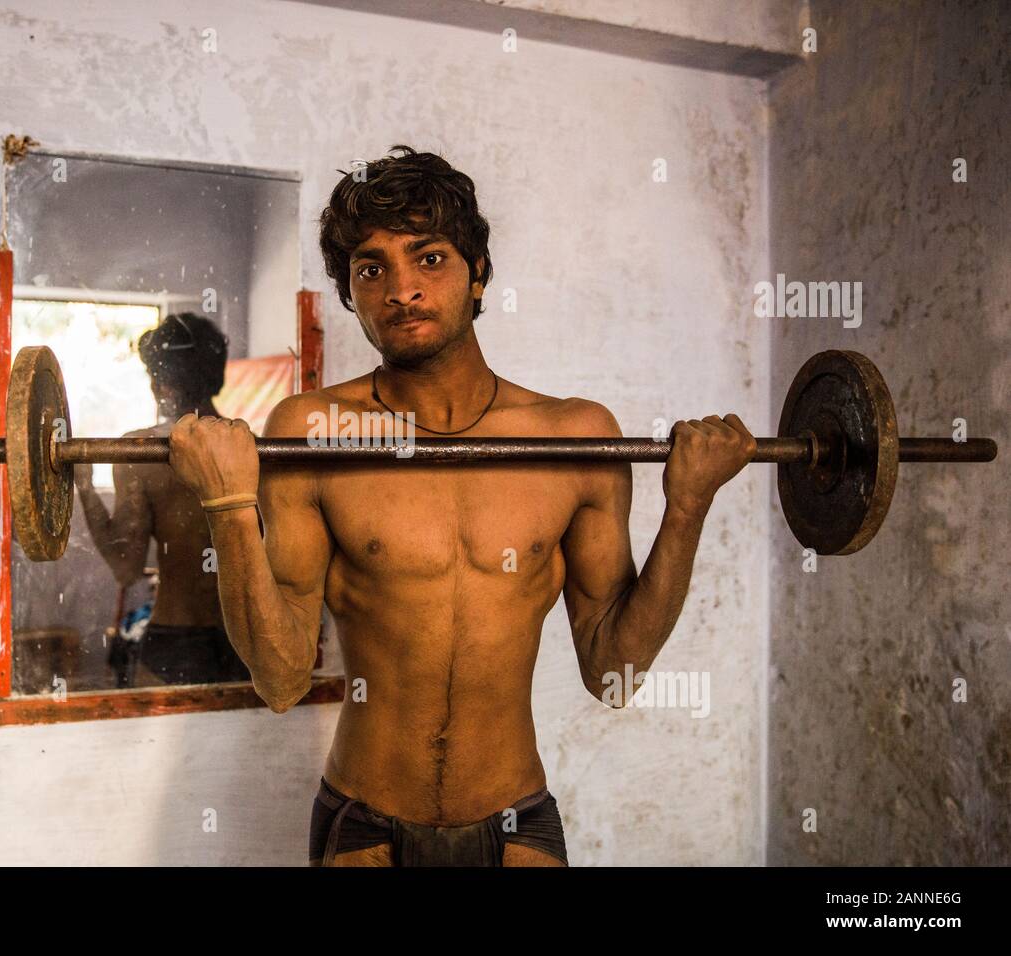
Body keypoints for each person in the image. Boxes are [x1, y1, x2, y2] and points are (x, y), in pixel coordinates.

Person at [167, 145, 755, 866]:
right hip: (365, 827)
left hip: (518, 827)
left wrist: (687, 509)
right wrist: (228, 505)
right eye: (372, 268)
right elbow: (284, 679)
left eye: (430, 258)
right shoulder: (310, 433)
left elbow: (614, 671)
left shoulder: (575, 437)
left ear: (480, 275)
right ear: (352, 294)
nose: (401, 289)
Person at [75, 312, 251, 686]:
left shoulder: (143, 452)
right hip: (248, 640)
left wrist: (86, 488)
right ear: (215, 375)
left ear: (162, 384)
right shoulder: (250, 445)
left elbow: (126, 569)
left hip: (177, 637)